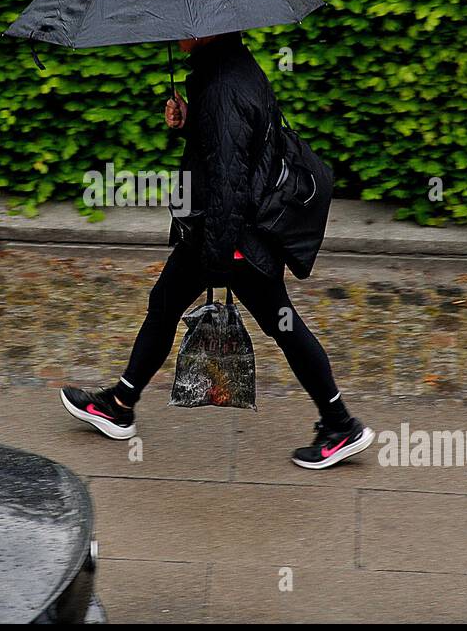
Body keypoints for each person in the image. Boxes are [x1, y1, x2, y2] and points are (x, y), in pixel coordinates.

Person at [60, 31, 373, 469]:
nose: (177, 36)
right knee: (168, 306)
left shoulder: (225, 85)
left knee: (279, 324)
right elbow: (231, 148)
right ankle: (120, 404)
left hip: (229, 236)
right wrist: (189, 121)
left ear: (209, 32)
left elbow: (229, 181)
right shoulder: (227, 71)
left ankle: (340, 424)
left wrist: (217, 257)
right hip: (223, 231)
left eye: (186, 30)